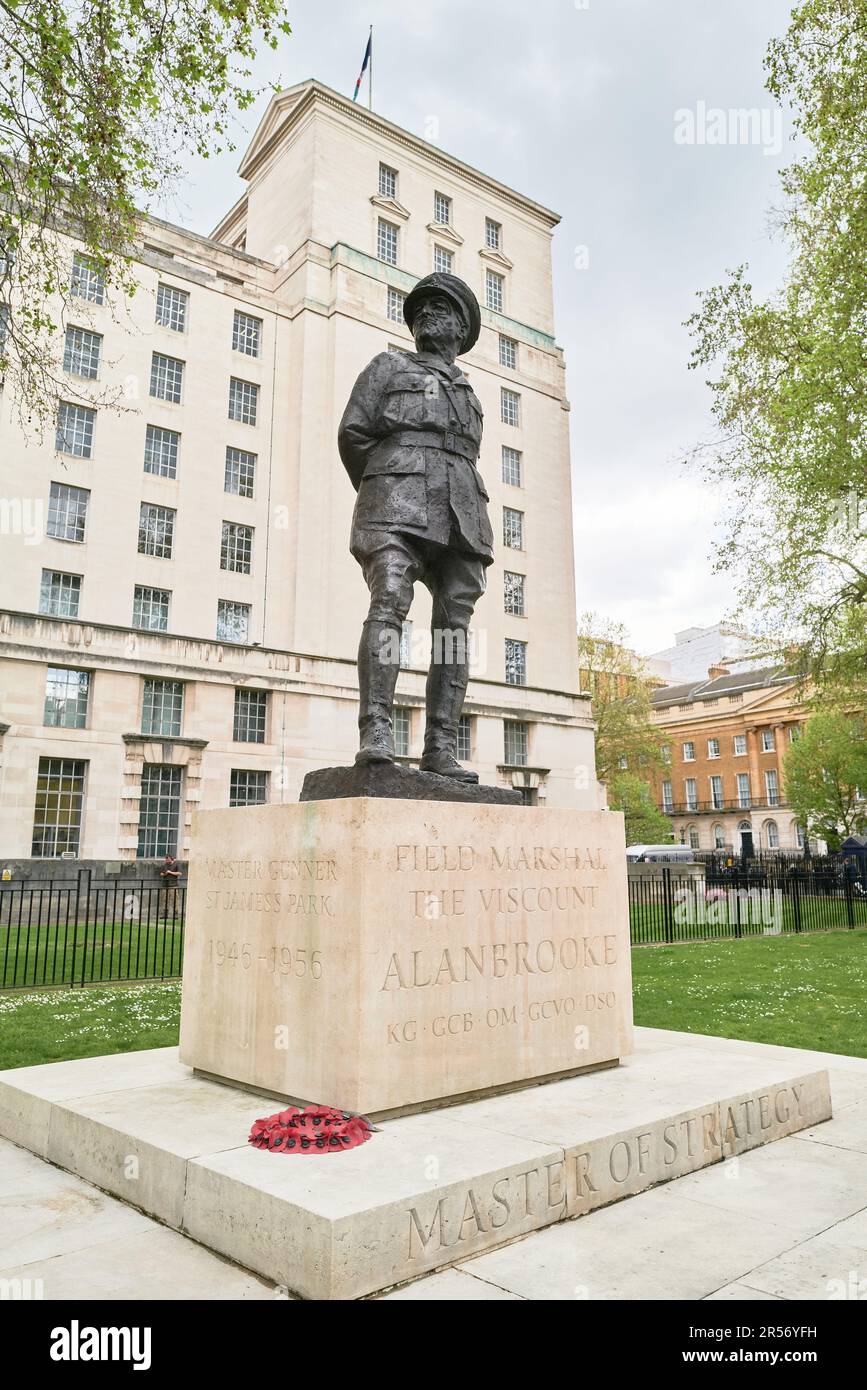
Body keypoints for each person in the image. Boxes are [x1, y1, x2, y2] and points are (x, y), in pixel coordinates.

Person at [338, 272, 493, 782]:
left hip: (461, 514)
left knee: (453, 630)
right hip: (393, 501)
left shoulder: (469, 392)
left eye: (441, 309)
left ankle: (441, 745)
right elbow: (354, 435)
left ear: (461, 327)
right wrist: (388, 480)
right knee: (389, 601)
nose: (427, 314)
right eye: (421, 308)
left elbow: (467, 453)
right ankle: (376, 729)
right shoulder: (386, 366)